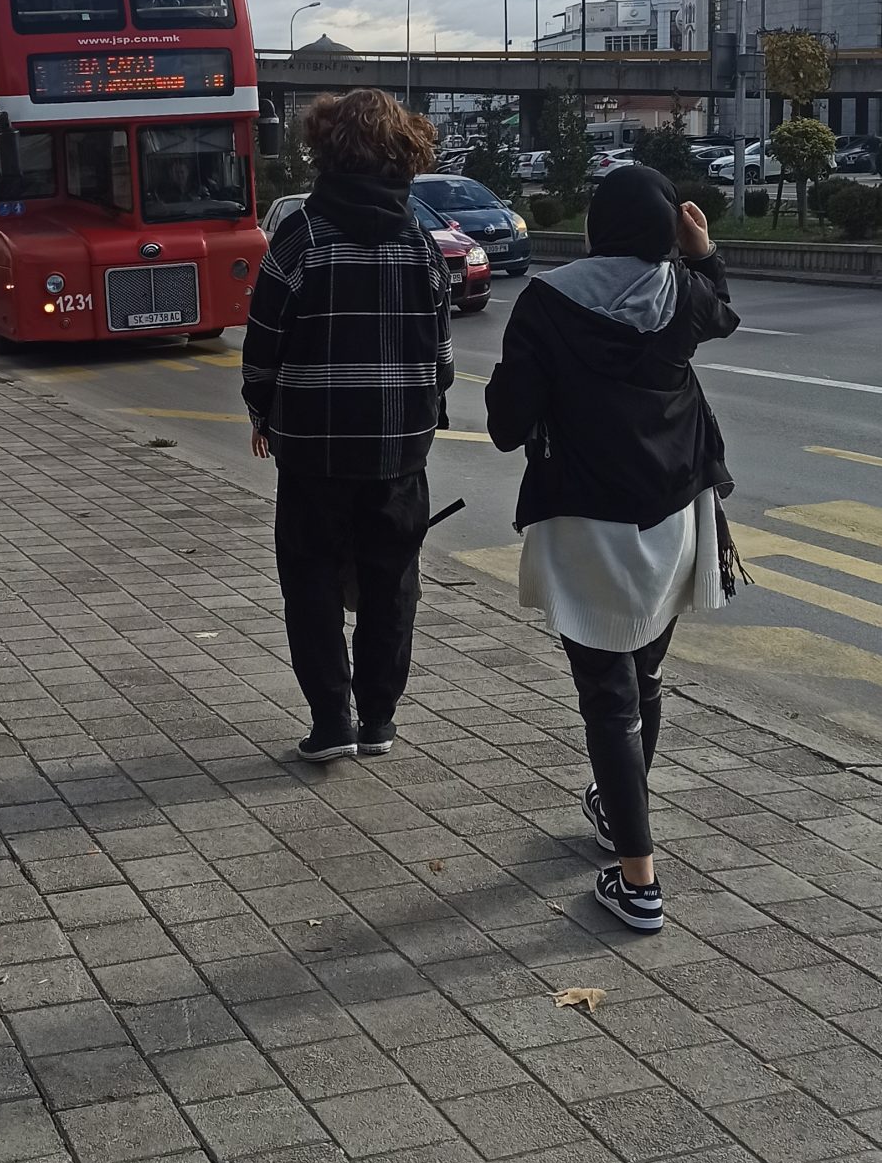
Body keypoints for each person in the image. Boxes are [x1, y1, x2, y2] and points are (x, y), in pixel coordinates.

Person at [484, 165, 740, 934]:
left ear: (595, 224)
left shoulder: (546, 301)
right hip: (673, 517)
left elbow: (503, 425)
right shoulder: (682, 294)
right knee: (643, 676)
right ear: (667, 229)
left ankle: (639, 882)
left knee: (606, 697)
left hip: (582, 521)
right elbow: (721, 311)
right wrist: (701, 250)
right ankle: (614, 812)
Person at [242, 89, 454, 763]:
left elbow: (263, 340)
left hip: (311, 450)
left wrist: (261, 411)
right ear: (401, 150)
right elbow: (441, 355)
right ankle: (379, 721)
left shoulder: (300, 234)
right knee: (392, 584)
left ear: (324, 149)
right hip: (398, 450)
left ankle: (331, 720)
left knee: (309, 582)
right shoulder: (420, 240)